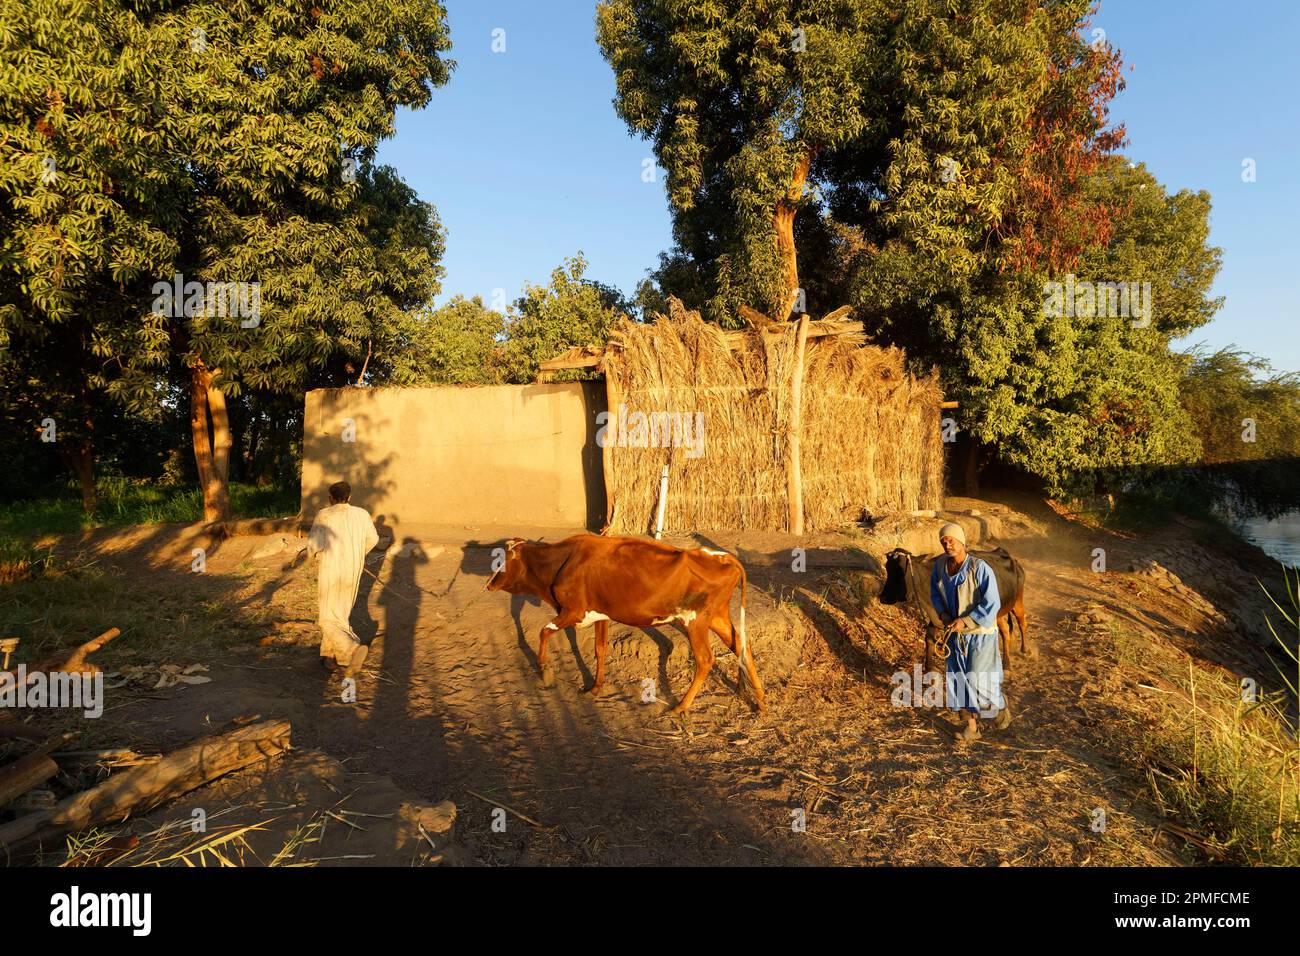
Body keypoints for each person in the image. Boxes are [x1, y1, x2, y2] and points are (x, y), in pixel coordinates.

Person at [930, 521, 1010, 742]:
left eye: (951, 540)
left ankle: (998, 704)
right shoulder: (939, 567)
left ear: (962, 542)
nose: (947, 545)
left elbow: (992, 602)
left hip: (980, 634)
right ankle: (972, 728)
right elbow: (935, 594)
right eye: (944, 542)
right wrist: (944, 615)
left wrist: (965, 621)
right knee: (958, 681)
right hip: (954, 635)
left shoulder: (979, 568)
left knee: (979, 680)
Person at [305, 481, 379, 678]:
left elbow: (313, 544)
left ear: (330, 498)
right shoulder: (362, 514)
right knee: (340, 613)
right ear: (350, 497)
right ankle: (331, 656)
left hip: (331, 569)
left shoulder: (324, 514)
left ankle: (352, 650)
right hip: (353, 570)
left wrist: (311, 556)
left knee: (327, 618)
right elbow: (374, 540)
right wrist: (358, 554)